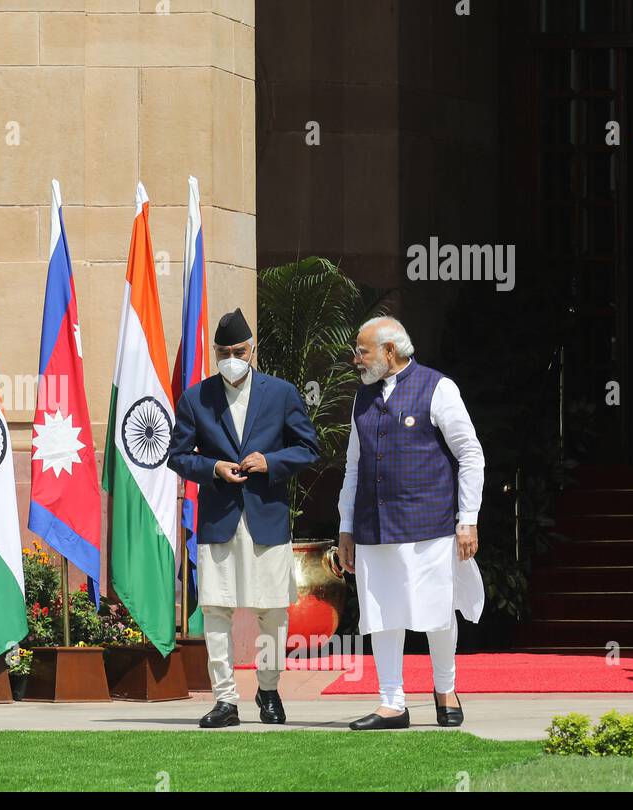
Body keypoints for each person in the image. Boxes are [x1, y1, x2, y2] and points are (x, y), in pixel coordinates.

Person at [168, 309, 319, 727]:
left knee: (273, 610)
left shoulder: (281, 393)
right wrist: (213, 468)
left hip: (266, 517)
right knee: (216, 610)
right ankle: (225, 701)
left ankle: (269, 692)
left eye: (239, 350)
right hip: (219, 517)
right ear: (215, 352)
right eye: (224, 351)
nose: (232, 357)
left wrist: (269, 461)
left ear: (252, 350)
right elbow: (177, 456)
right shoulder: (197, 397)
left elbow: (309, 448)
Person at [337, 316, 485, 730]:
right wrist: (346, 526)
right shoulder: (361, 398)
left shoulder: (439, 387)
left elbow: (470, 455)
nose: (356, 359)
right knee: (381, 614)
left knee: (436, 613)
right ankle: (391, 703)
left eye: (362, 351)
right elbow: (353, 466)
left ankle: (445, 689)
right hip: (373, 527)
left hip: (430, 526)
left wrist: (467, 519)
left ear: (390, 351)